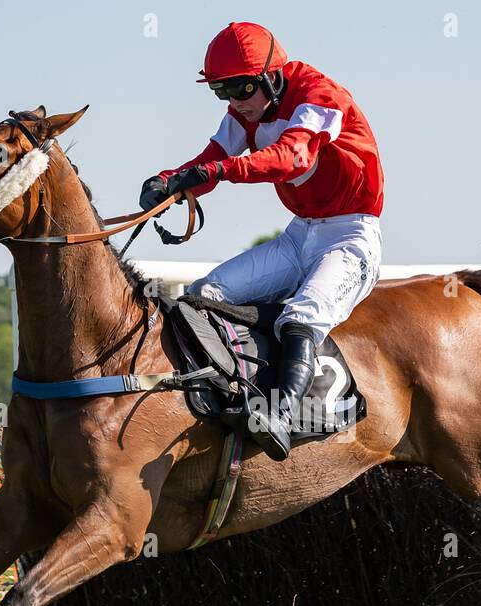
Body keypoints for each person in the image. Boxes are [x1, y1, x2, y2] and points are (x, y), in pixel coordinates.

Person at [139, 21, 384, 461]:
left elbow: (294, 157)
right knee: (204, 295)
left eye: (242, 89)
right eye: (222, 92)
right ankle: (231, 393)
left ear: (273, 76)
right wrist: (170, 181)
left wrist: (214, 174)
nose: (235, 102)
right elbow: (213, 158)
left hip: (350, 235)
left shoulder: (320, 95)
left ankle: (281, 414)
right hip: (299, 235)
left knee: (302, 315)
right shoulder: (245, 109)